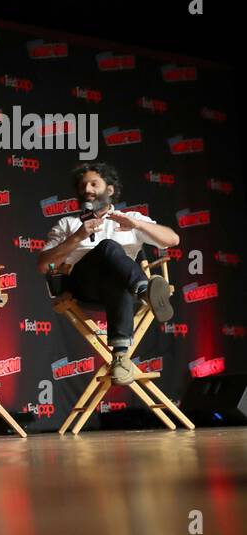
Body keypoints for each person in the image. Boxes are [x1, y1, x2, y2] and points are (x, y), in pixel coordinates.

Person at [35, 162, 177, 386]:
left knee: (115, 278)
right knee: (108, 247)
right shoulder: (69, 224)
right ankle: (144, 290)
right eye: (83, 186)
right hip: (82, 288)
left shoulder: (129, 218)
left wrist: (136, 224)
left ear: (109, 190)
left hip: (120, 289)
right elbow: (43, 265)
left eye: (93, 184)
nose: (87, 190)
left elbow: (172, 240)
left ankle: (120, 356)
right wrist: (76, 238)